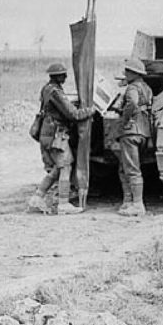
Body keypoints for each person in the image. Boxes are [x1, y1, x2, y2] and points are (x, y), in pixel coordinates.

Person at [28, 63, 96, 215]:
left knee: (57, 168)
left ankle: (37, 198)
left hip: (47, 133)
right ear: (56, 76)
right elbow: (74, 114)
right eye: (63, 74)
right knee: (65, 166)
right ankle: (63, 203)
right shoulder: (56, 92)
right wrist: (91, 110)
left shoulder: (47, 89)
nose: (65, 77)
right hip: (56, 135)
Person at [112, 58, 153, 216]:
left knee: (131, 169)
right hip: (143, 131)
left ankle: (137, 205)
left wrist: (123, 120)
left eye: (128, 71)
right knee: (126, 167)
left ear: (134, 73)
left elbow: (133, 103)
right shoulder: (146, 88)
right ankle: (128, 202)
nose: (125, 74)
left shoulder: (132, 88)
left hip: (130, 131)